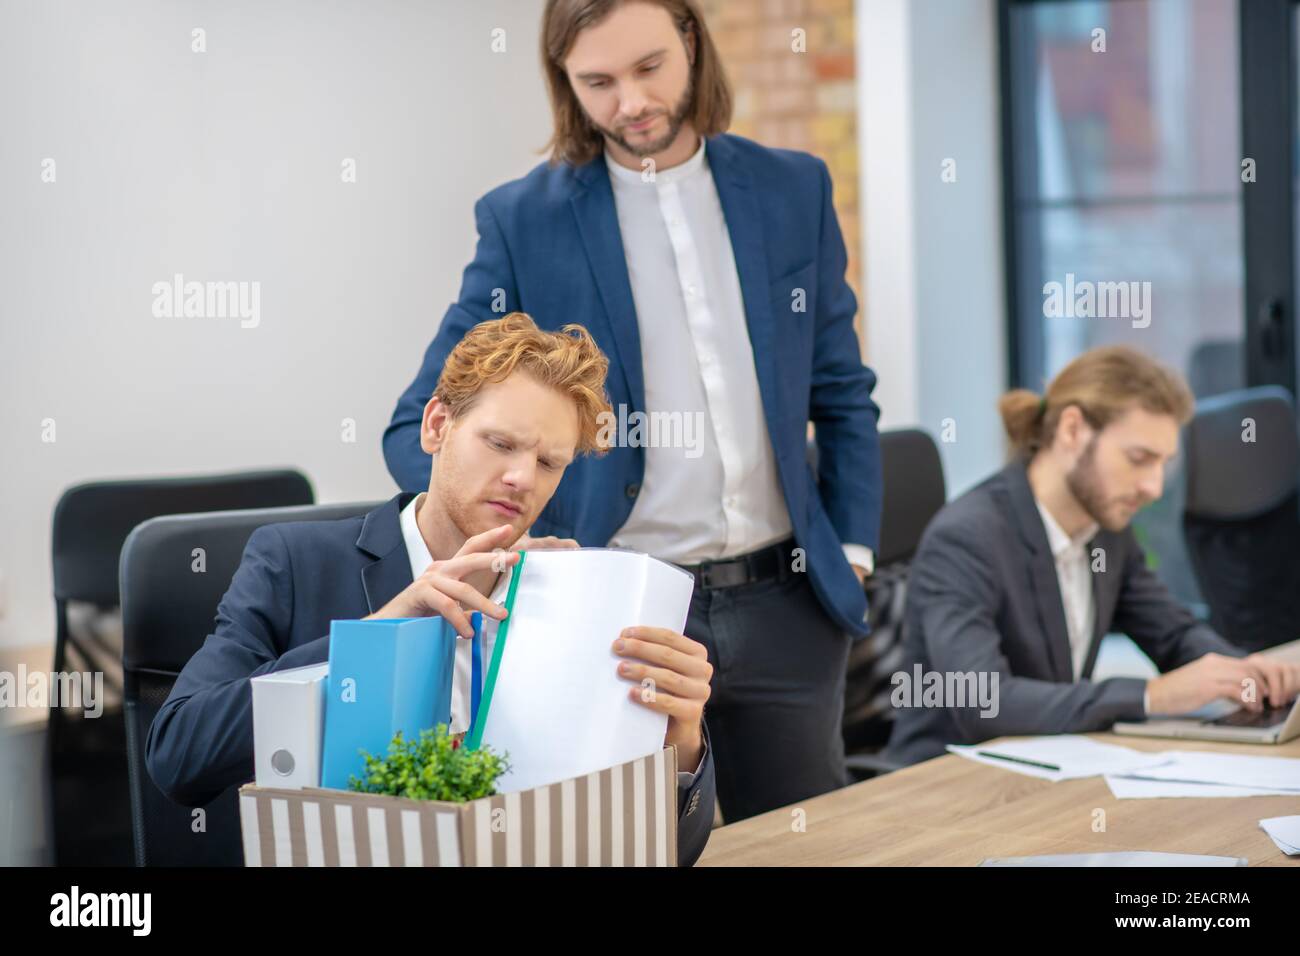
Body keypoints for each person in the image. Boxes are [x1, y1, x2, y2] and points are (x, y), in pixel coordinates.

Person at [383, 0, 881, 821]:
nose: (631, 103)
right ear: (566, 84)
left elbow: (841, 390)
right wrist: (516, 531)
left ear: (691, 43)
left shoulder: (794, 189)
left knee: (806, 845)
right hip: (616, 613)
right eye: (599, 82)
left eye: (648, 68)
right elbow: (417, 426)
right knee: (631, 843)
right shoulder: (525, 220)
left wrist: (854, 551)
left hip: (790, 603)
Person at [147, 313, 717, 865]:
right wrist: (387, 628)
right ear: (436, 426)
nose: (522, 478)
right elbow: (177, 755)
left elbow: (672, 850)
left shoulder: (578, 599)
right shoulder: (293, 563)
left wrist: (680, 736)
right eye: (500, 444)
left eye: (548, 462)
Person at [885, 346, 1300, 766]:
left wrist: (1243, 673)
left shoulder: (1105, 529)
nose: (1153, 487)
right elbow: (983, 702)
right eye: (1139, 459)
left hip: (1045, 769)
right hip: (944, 784)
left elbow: (1173, 635)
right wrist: (1151, 695)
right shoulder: (967, 537)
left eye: (1163, 464)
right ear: (1071, 430)